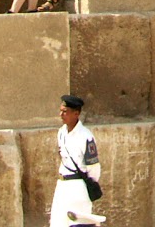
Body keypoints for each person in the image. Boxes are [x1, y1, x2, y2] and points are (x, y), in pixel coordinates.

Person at [52, 94, 104, 227]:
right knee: (59, 222)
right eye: (61, 111)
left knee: (77, 223)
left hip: (78, 186)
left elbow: (93, 168)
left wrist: (85, 184)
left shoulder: (85, 136)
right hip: (63, 184)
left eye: (65, 112)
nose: (61, 114)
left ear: (76, 113)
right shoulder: (61, 132)